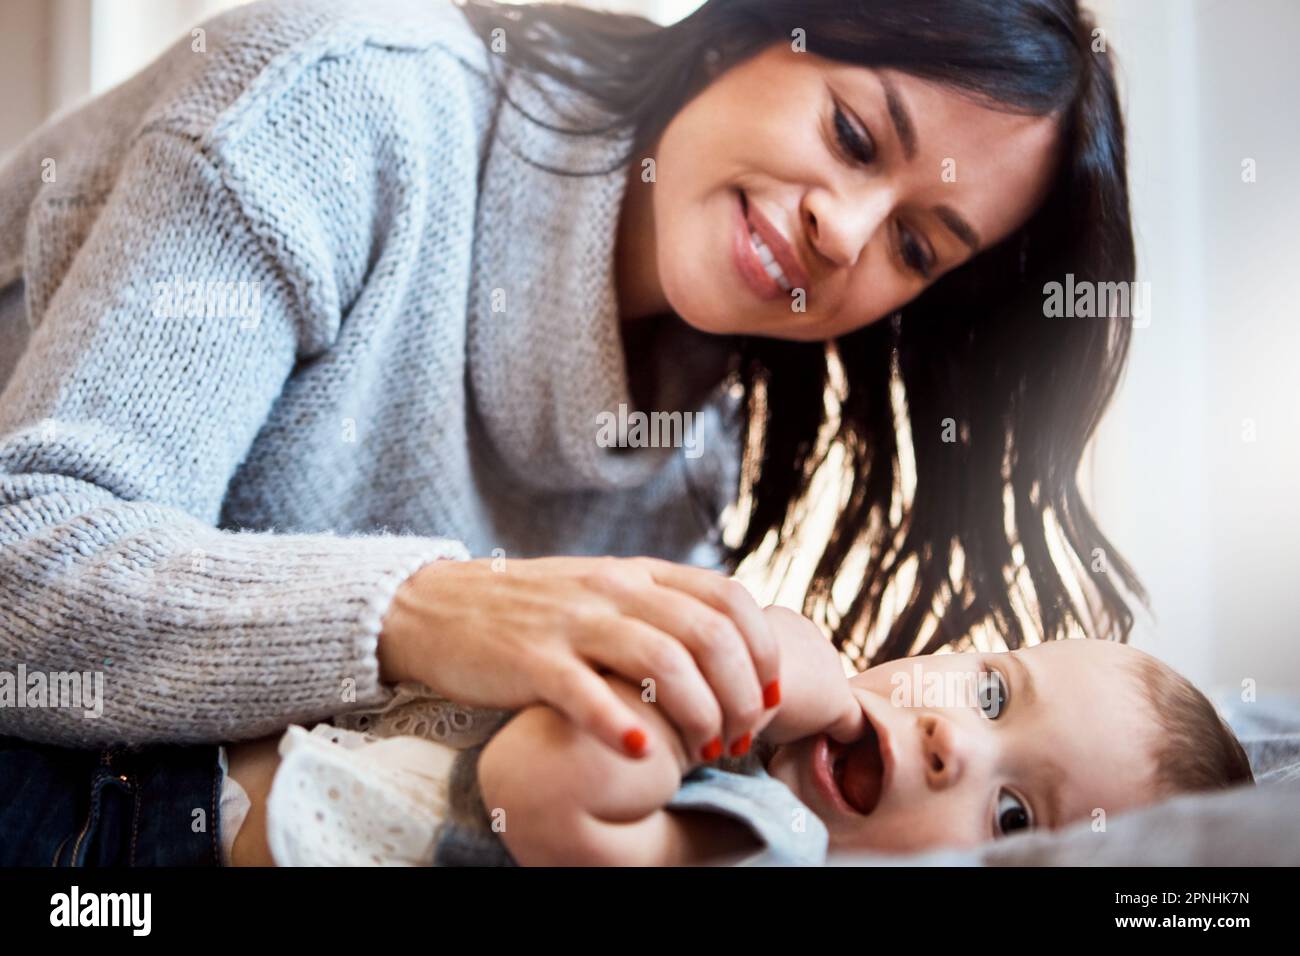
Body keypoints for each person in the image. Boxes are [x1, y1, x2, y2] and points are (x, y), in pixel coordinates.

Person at [0, 0, 1144, 865]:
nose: (843, 233)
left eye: (915, 248)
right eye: (851, 133)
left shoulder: (694, 451)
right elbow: (19, 573)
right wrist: (428, 610)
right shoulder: (342, 98)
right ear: (740, 32)